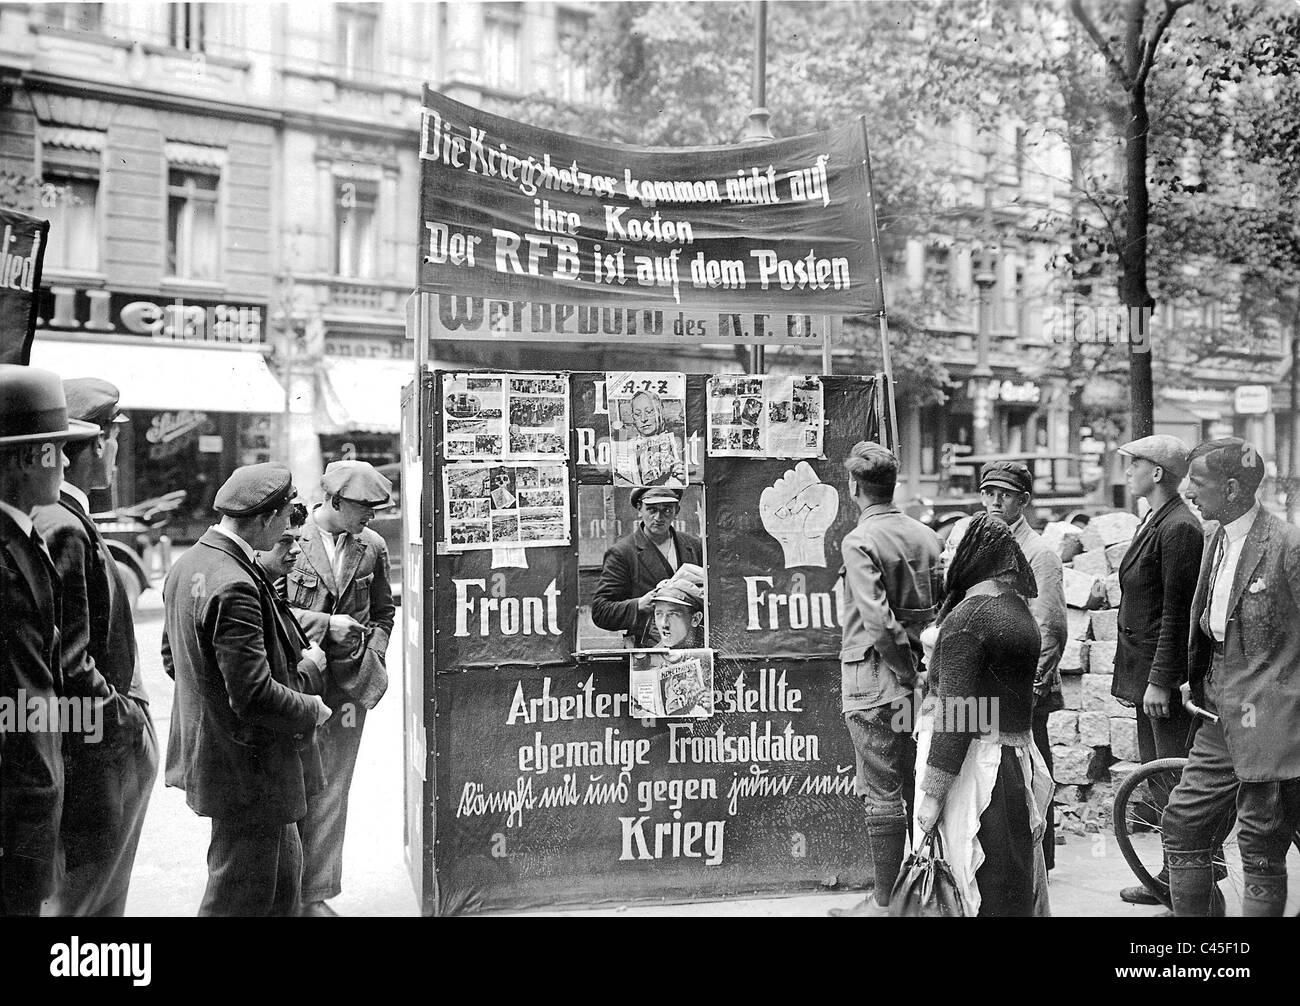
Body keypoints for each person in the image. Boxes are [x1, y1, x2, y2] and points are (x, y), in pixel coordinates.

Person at [163, 462, 330, 916]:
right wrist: (311, 707)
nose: (291, 527)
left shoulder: (191, 564)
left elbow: (172, 659)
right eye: (286, 517)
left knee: (279, 887)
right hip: (249, 769)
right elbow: (253, 695)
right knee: (239, 897)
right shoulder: (234, 581)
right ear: (264, 519)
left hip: (232, 761)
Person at [34, 378, 156, 917]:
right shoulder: (64, 524)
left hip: (83, 750)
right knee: (89, 908)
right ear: (98, 443)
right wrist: (127, 722)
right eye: (112, 438)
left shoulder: (56, 516)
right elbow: (70, 662)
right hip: (97, 758)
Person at [1163, 438, 1300, 917]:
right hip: (1220, 712)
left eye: (1197, 482)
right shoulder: (1216, 537)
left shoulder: (1287, 545)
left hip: (1274, 721)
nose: (1187, 490)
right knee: (1183, 823)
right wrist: (1195, 678)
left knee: (1260, 840)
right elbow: (1213, 626)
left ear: (1234, 486)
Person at [915, 513, 1053, 917]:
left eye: (955, 547)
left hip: (975, 775)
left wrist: (932, 796)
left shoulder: (969, 618)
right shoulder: (1016, 611)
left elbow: (956, 715)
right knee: (1008, 881)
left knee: (969, 883)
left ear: (977, 555)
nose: (946, 555)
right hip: (1011, 768)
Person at [0, 365, 99, 916]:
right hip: (14, 820)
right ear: (20, 458)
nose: (65, 463)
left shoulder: (24, 538)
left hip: (31, 814)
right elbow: (20, 705)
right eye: (53, 449)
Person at [830, 441, 943, 917]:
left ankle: (884, 905)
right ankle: (918, 895)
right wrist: (920, 672)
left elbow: (876, 622)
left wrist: (904, 672)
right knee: (921, 784)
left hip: (876, 678)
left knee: (881, 791)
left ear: (854, 487)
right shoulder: (927, 536)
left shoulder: (858, 541)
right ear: (891, 485)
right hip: (927, 676)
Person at [944, 460, 1067, 873]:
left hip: (1022, 687)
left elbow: (1049, 625)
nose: (995, 500)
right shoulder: (978, 546)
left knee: (1027, 773)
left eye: (1006, 494)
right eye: (988, 492)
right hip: (988, 687)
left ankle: (1038, 861)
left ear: (1024, 501)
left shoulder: (1039, 553)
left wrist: (1031, 685)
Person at [286, 460, 396, 918]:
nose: (371, 515)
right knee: (292, 787)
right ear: (332, 501)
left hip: (350, 690)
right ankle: (285, 893)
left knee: (333, 790)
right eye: (363, 506)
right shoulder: (290, 539)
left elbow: (385, 611)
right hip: (294, 684)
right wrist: (325, 626)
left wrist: (375, 657)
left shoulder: (371, 546)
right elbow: (268, 609)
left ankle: (315, 895)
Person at [1110, 435, 1203, 906]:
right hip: (1148, 675)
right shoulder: (1159, 520)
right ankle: (1175, 878)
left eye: (1134, 465)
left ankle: (1185, 883)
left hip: (1159, 680)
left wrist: (1161, 680)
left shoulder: (1180, 527)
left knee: (1173, 782)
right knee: (1161, 777)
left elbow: (1177, 613)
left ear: (1158, 473)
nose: (1127, 472)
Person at [591, 483, 703, 648]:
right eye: (652, 509)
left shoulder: (694, 546)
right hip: (647, 651)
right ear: (639, 508)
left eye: (667, 509)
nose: (659, 517)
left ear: (677, 511)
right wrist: (639, 604)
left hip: (692, 647)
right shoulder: (622, 553)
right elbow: (601, 611)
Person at [648, 563, 706, 650]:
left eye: (673, 614)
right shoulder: (654, 658)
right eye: (659, 614)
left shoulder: (719, 647)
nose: (664, 624)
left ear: (696, 619)